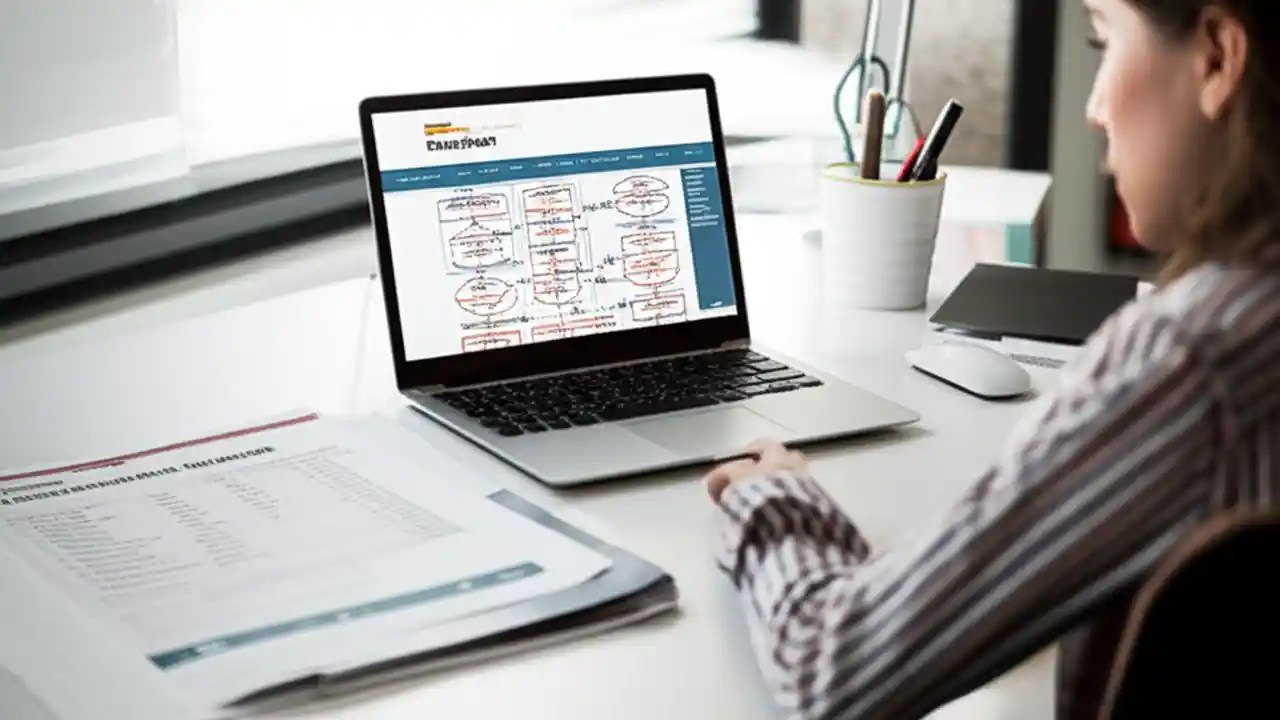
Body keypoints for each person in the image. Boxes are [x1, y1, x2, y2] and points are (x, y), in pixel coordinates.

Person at [703, 1, 1280, 718]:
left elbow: (838, 668)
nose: (1096, 108)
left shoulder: (1196, 364)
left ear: (1220, 57)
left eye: (1104, 40)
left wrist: (775, 498)